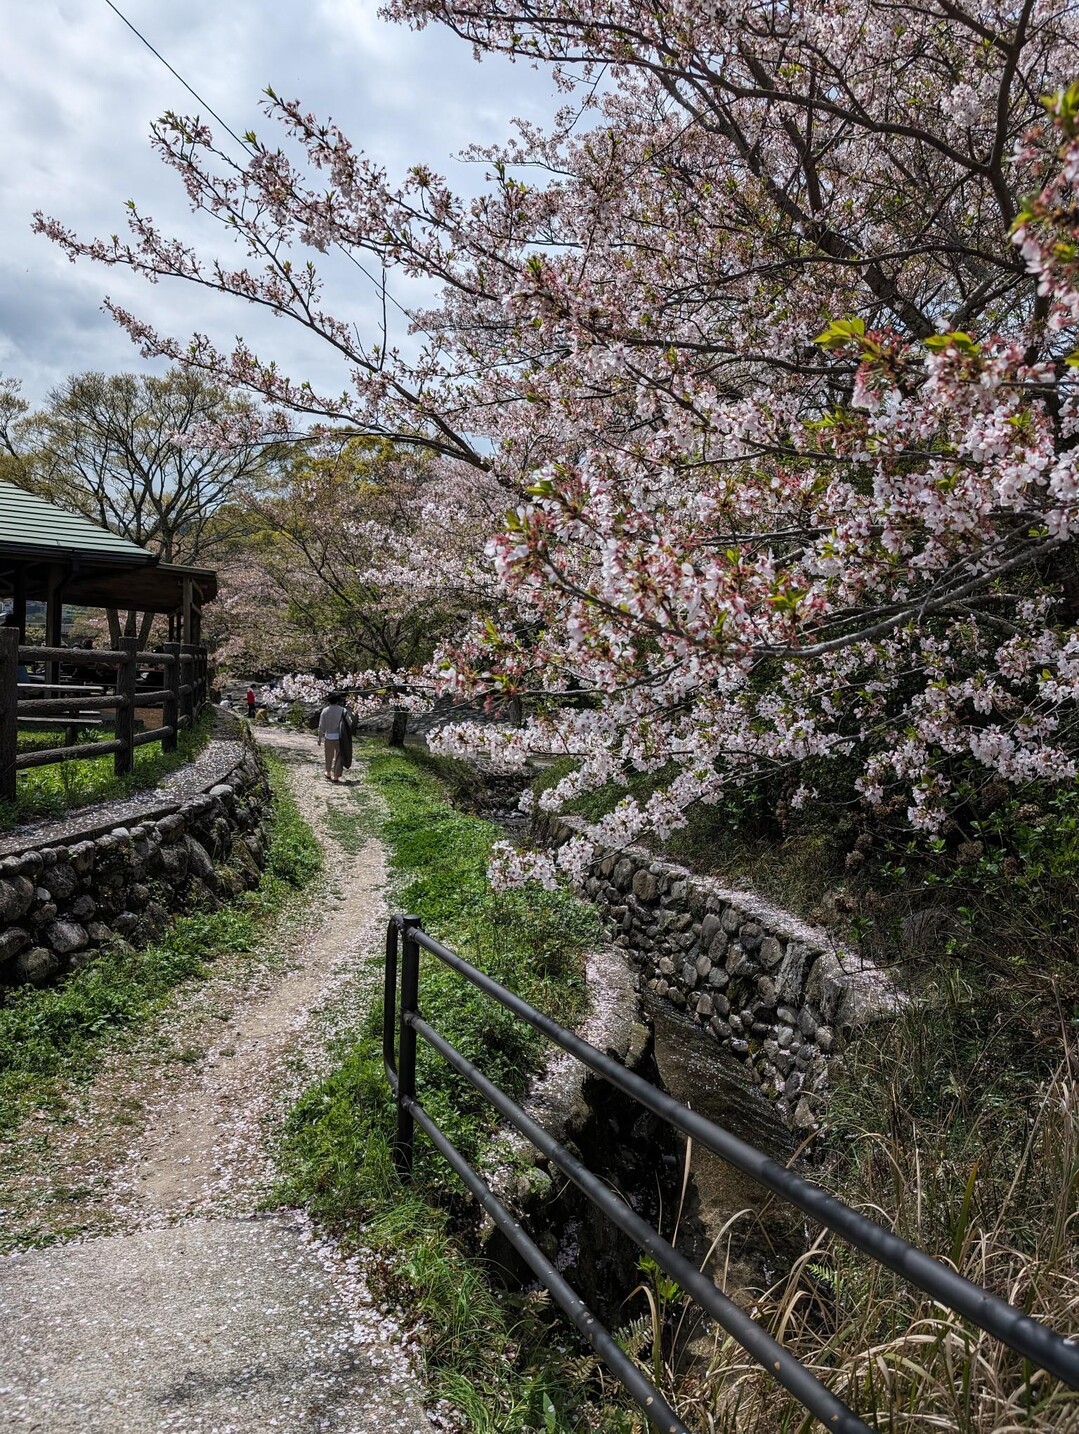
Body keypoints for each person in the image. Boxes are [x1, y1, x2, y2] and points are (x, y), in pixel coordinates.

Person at [318, 691, 349, 782]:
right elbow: (349, 722)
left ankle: (328, 772)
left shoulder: (325, 711)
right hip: (339, 737)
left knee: (328, 755)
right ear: (338, 700)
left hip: (328, 737)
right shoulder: (343, 710)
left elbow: (321, 726)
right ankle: (336, 775)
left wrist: (320, 738)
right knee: (339, 756)